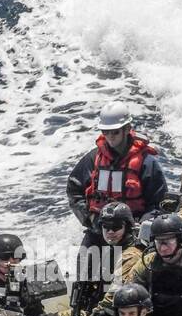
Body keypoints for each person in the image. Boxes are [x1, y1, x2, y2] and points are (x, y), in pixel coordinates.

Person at [66, 101, 167, 247]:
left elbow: (159, 203)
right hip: (100, 231)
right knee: (86, 264)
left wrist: (141, 227)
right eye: (105, 132)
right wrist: (91, 219)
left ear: (127, 129)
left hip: (133, 234)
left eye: (115, 132)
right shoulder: (93, 159)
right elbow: (74, 189)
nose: (110, 137)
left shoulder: (146, 163)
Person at [59, 201, 145, 316]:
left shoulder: (131, 255)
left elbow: (114, 297)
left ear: (127, 227)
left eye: (116, 227)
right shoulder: (107, 250)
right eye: (106, 226)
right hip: (94, 310)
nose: (110, 231)